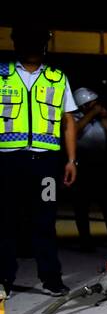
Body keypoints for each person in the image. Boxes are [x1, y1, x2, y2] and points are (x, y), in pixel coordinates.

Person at [0, 23, 77, 297]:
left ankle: (51, 278)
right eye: (27, 42)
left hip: (46, 164)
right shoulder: (1, 76)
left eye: (37, 43)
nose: (33, 48)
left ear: (44, 46)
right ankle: (4, 280)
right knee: (5, 221)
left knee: (45, 220)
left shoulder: (57, 78)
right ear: (16, 45)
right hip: (8, 163)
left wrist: (71, 160)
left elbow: (68, 121)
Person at [69, 87, 107, 250]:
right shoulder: (75, 117)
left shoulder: (99, 120)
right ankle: (85, 240)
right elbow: (75, 131)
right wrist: (91, 114)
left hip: (101, 165)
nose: (97, 105)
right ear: (84, 105)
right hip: (82, 165)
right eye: (93, 103)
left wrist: (105, 119)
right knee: (82, 205)